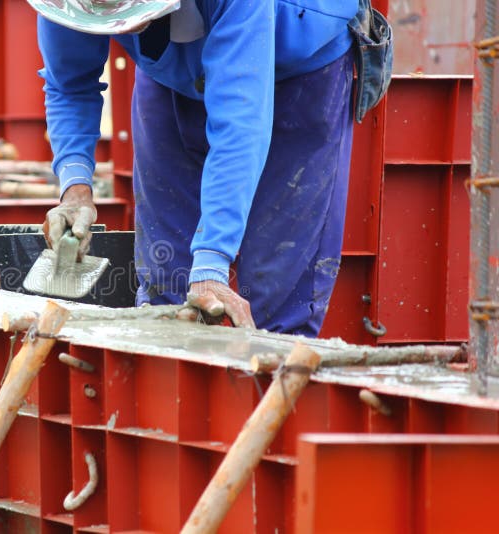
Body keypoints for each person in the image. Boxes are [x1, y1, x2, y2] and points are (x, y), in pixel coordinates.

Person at [30, 0, 391, 336]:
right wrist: (75, 187)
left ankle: (268, 382)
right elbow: (68, 84)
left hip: (297, 65)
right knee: (166, 290)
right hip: (170, 68)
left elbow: (240, 120)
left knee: (273, 301)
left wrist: (212, 263)